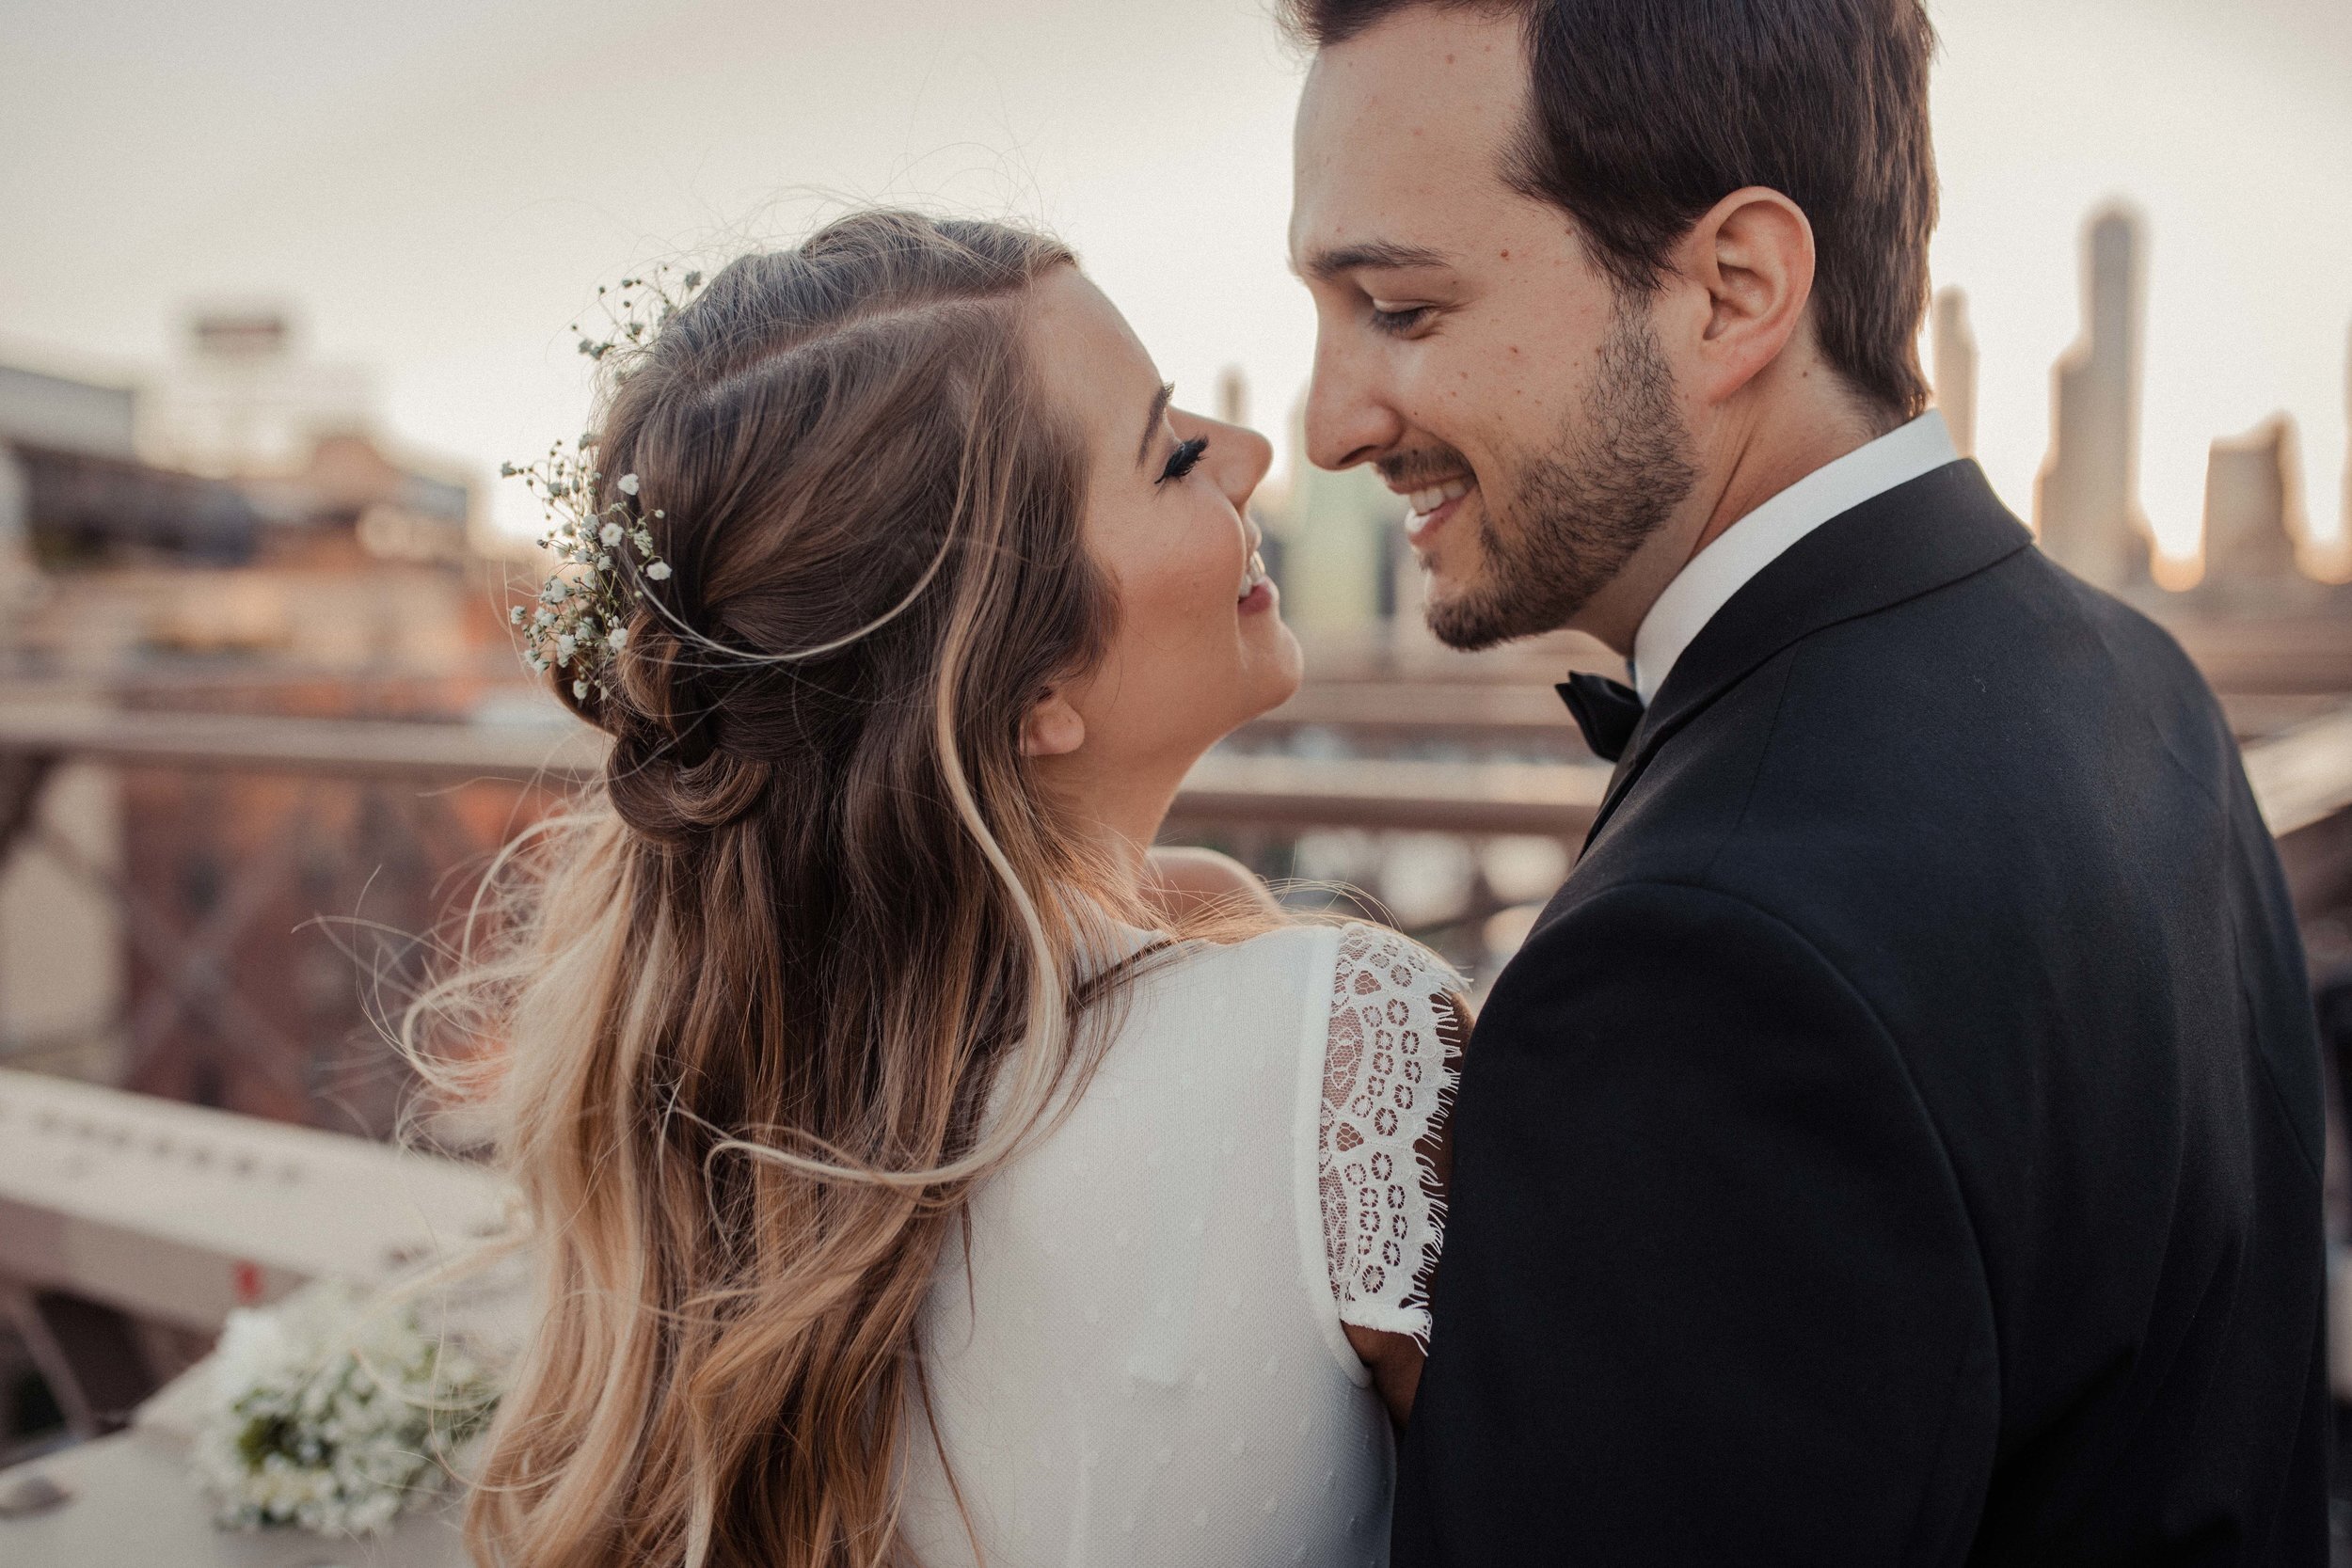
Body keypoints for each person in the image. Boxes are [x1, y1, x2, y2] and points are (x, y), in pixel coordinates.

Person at [1282, 0, 2329, 1560]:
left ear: (1734, 290)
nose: (1330, 420)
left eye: (1400, 309)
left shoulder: (1695, 970)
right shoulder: (2133, 678)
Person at [424, 210, 1465, 1568]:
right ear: (1028, 690)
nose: (1258, 454)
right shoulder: (1347, 1047)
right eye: (1169, 457)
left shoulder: (731, 1082)